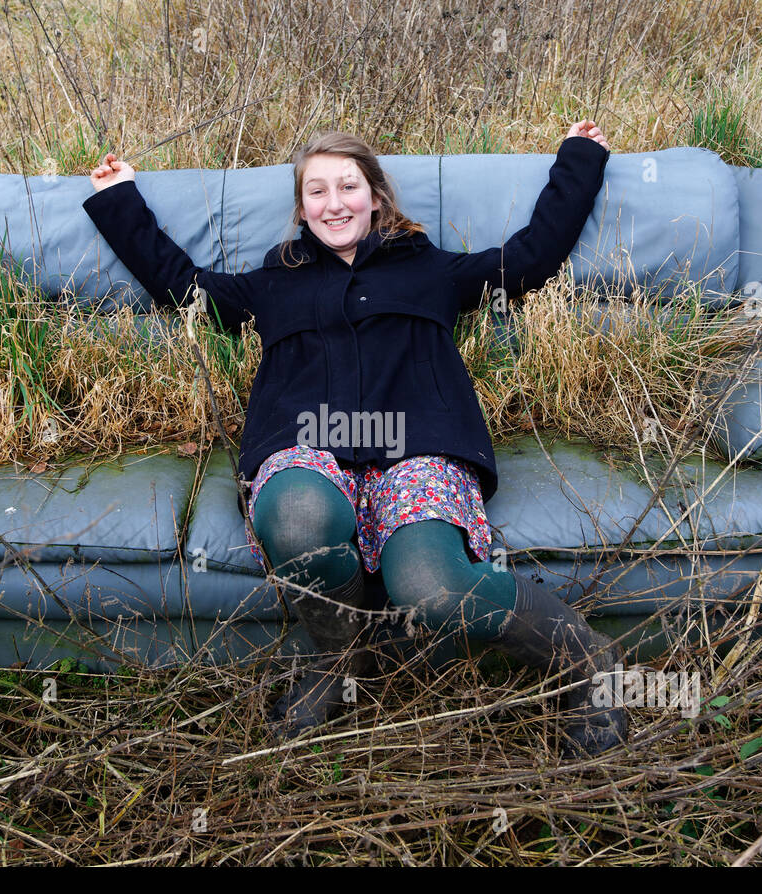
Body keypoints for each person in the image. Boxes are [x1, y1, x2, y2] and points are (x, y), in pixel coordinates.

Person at [84, 121, 627, 758]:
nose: (333, 202)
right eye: (316, 191)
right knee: (295, 511)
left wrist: (580, 159)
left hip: (418, 446)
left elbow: (530, 258)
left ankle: (592, 667)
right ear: (301, 207)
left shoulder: (433, 271)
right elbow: (183, 287)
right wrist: (119, 198)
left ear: (375, 197)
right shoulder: (272, 281)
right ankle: (337, 663)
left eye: (348, 186)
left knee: (434, 589)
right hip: (306, 442)